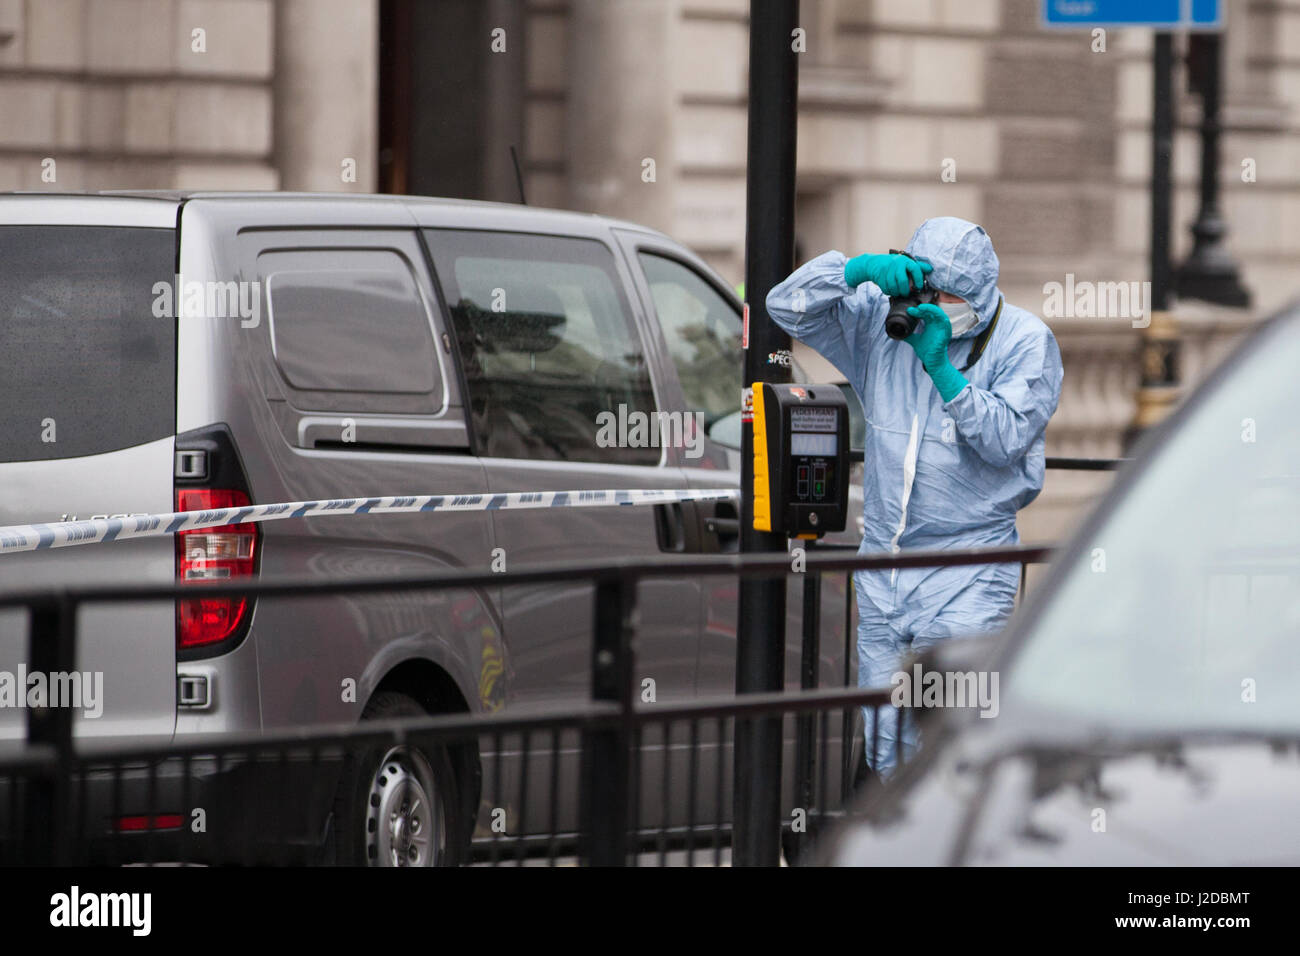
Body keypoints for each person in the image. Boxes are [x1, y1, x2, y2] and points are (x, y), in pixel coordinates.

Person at [766, 217, 1063, 777]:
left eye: (948, 294)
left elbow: (1004, 441)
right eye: (926, 287)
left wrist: (944, 372)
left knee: (948, 750)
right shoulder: (884, 325)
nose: (934, 302)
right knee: (885, 750)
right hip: (883, 569)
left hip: (968, 572)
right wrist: (854, 270)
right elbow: (785, 307)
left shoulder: (1025, 341)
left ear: (977, 293)